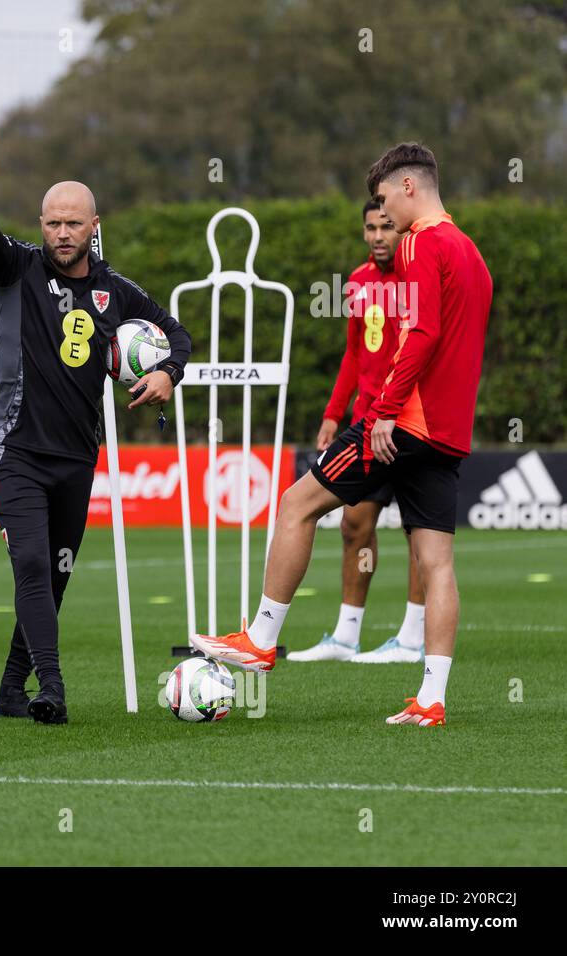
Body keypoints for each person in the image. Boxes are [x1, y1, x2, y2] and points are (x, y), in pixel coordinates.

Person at [191, 143, 492, 728]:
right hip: (449, 434)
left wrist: (383, 410)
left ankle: (261, 638)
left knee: (296, 504)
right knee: (437, 562)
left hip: (405, 423)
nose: (381, 217)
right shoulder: (471, 252)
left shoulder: (423, 241)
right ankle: (432, 698)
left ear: (409, 187)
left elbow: (422, 334)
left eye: (383, 201)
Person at [0, 128, 192, 724]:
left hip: (78, 458)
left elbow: (177, 334)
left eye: (73, 224)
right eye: (53, 222)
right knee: (31, 563)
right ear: (42, 223)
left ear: (93, 226)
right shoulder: (17, 268)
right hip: (15, 451)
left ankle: (11, 688)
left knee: (54, 575)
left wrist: (169, 374)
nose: (61, 233)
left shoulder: (116, 291)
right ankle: (51, 688)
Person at [289, 199, 426, 663]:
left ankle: (412, 637)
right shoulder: (358, 281)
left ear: (402, 229)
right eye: (370, 227)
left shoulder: (416, 277)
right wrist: (334, 413)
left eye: (387, 226)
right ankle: (346, 637)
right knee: (354, 524)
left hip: (409, 423)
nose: (378, 236)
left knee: (420, 531)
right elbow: (353, 355)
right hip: (367, 424)